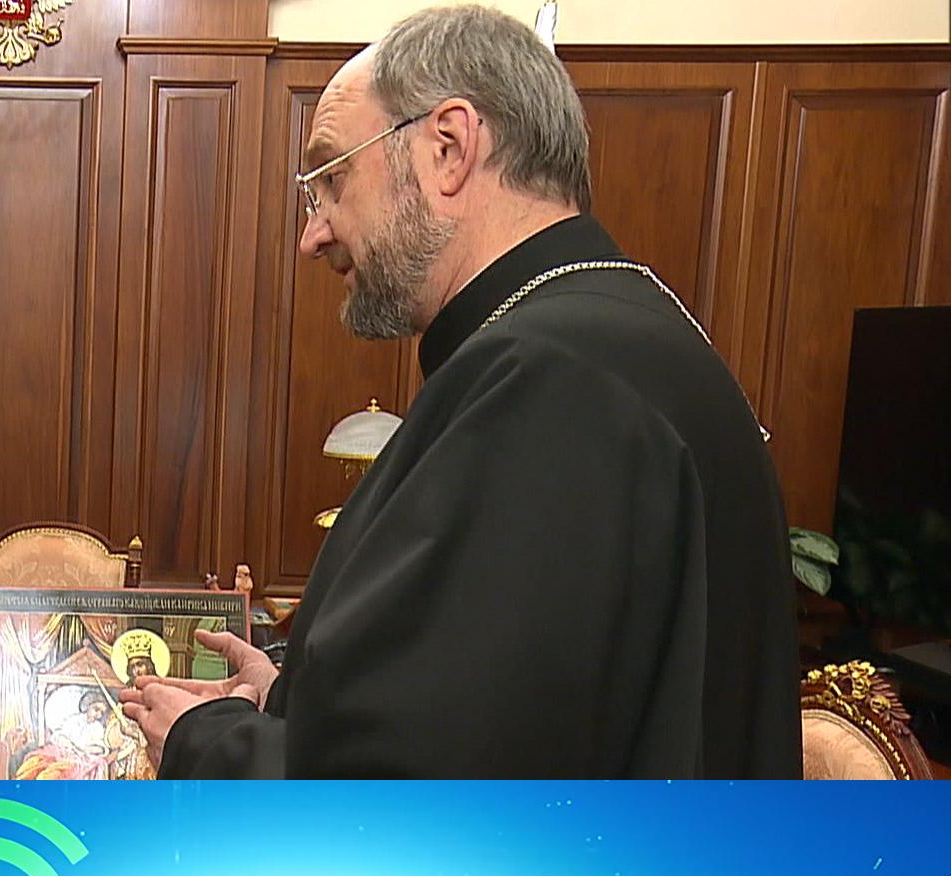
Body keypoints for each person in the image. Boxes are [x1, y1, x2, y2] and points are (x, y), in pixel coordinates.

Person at [121, 5, 798, 779]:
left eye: (332, 178)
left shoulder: (545, 379)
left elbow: (424, 794)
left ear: (448, 147)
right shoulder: (614, 335)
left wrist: (203, 741)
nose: (314, 234)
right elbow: (524, 711)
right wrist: (288, 699)